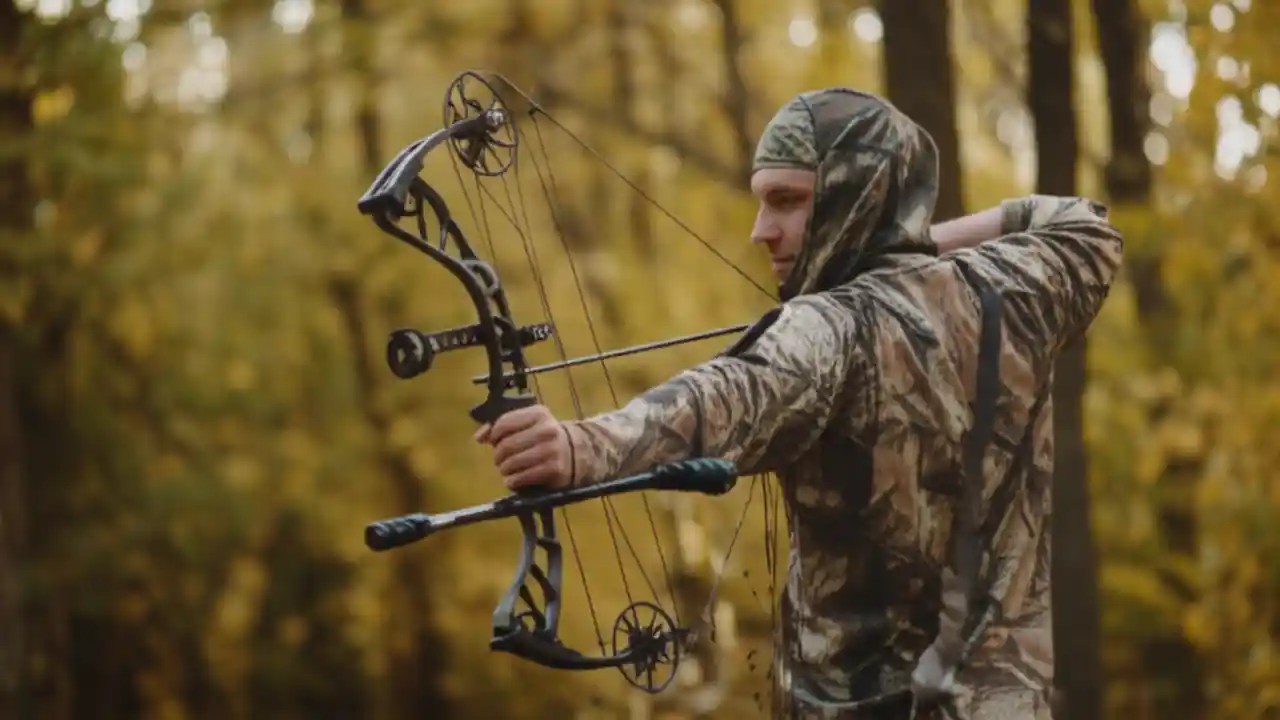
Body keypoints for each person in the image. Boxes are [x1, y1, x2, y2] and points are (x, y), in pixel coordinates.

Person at [474, 88, 1123, 718]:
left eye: (787, 202)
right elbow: (1080, 221)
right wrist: (905, 243)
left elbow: (722, 398)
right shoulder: (1019, 291)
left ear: (857, 196)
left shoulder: (823, 330)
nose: (763, 231)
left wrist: (575, 448)